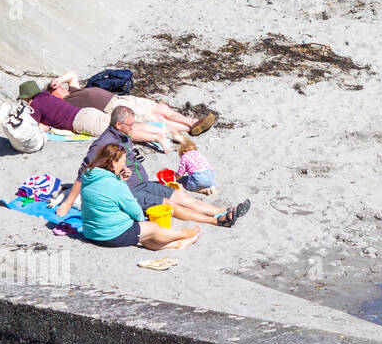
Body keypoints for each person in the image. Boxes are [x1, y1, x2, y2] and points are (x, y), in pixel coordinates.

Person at [53, 106, 247, 228]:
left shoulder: (124, 135)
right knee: (170, 205)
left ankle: (223, 210)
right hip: (128, 192)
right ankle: (217, 221)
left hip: (144, 184)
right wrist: (67, 203)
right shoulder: (103, 144)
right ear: (119, 125)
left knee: (180, 196)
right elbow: (83, 173)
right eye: (130, 124)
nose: (133, 127)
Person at [79, 144, 201, 250]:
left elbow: (106, 193)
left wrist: (120, 180)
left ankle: (176, 244)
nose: (124, 164)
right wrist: (122, 184)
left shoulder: (89, 176)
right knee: (153, 227)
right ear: (113, 163)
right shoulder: (115, 185)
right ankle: (183, 234)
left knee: (144, 235)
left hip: (90, 232)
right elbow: (136, 212)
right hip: (108, 236)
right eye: (123, 161)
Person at [47, 71, 215, 139]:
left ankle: (190, 122)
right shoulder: (65, 104)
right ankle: (190, 127)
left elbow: (72, 75)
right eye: (56, 88)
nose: (61, 88)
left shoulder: (73, 91)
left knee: (160, 108)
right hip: (112, 109)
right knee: (154, 117)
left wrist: (59, 80)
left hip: (120, 99)